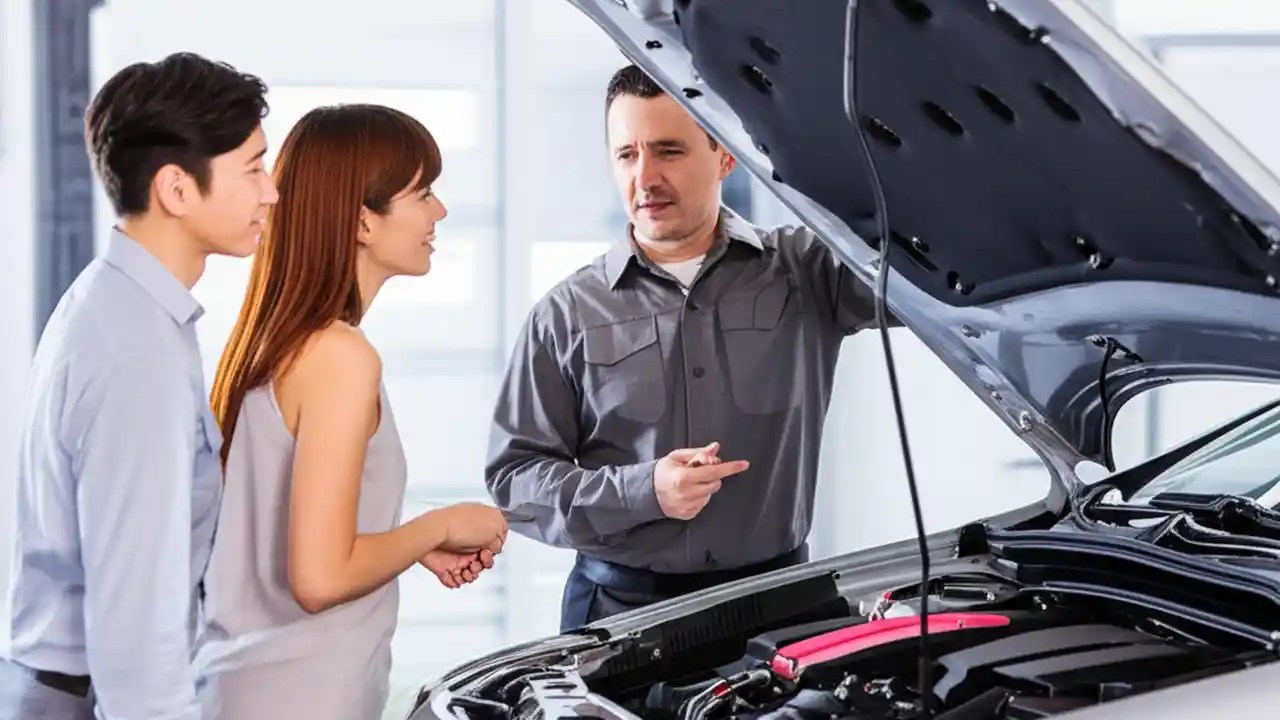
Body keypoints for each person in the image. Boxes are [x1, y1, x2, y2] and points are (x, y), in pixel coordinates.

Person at [485, 64, 888, 632]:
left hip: (783, 609)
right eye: (626, 154)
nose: (644, 177)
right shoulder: (565, 313)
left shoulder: (808, 271)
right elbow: (517, 481)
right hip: (621, 615)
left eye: (668, 150)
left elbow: (942, 279)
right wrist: (641, 491)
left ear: (724, 156)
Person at [196, 103, 509, 720]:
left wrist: (402, 545)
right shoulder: (340, 356)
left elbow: (299, 538)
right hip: (301, 700)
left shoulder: (273, 343)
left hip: (243, 690)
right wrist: (438, 526)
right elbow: (319, 578)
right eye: (422, 193)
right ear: (363, 220)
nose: (439, 212)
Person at [0, 53, 277, 719]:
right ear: (176, 190)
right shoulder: (135, 347)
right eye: (254, 168)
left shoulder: (124, 307)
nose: (270, 191)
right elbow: (136, 617)